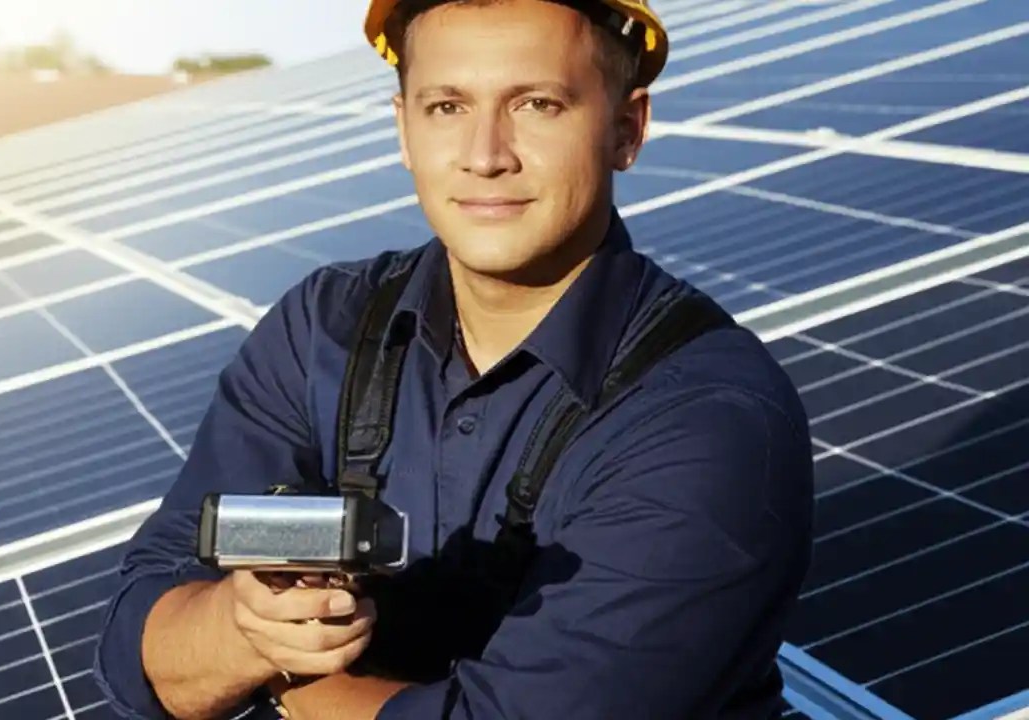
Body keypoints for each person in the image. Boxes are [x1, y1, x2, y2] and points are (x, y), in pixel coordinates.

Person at [93, 0, 815, 717]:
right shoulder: (323, 328)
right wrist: (244, 626)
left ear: (627, 129)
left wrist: (282, 683)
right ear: (403, 128)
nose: (485, 154)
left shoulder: (709, 419)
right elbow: (140, 645)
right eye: (446, 107)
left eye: (536, 104)